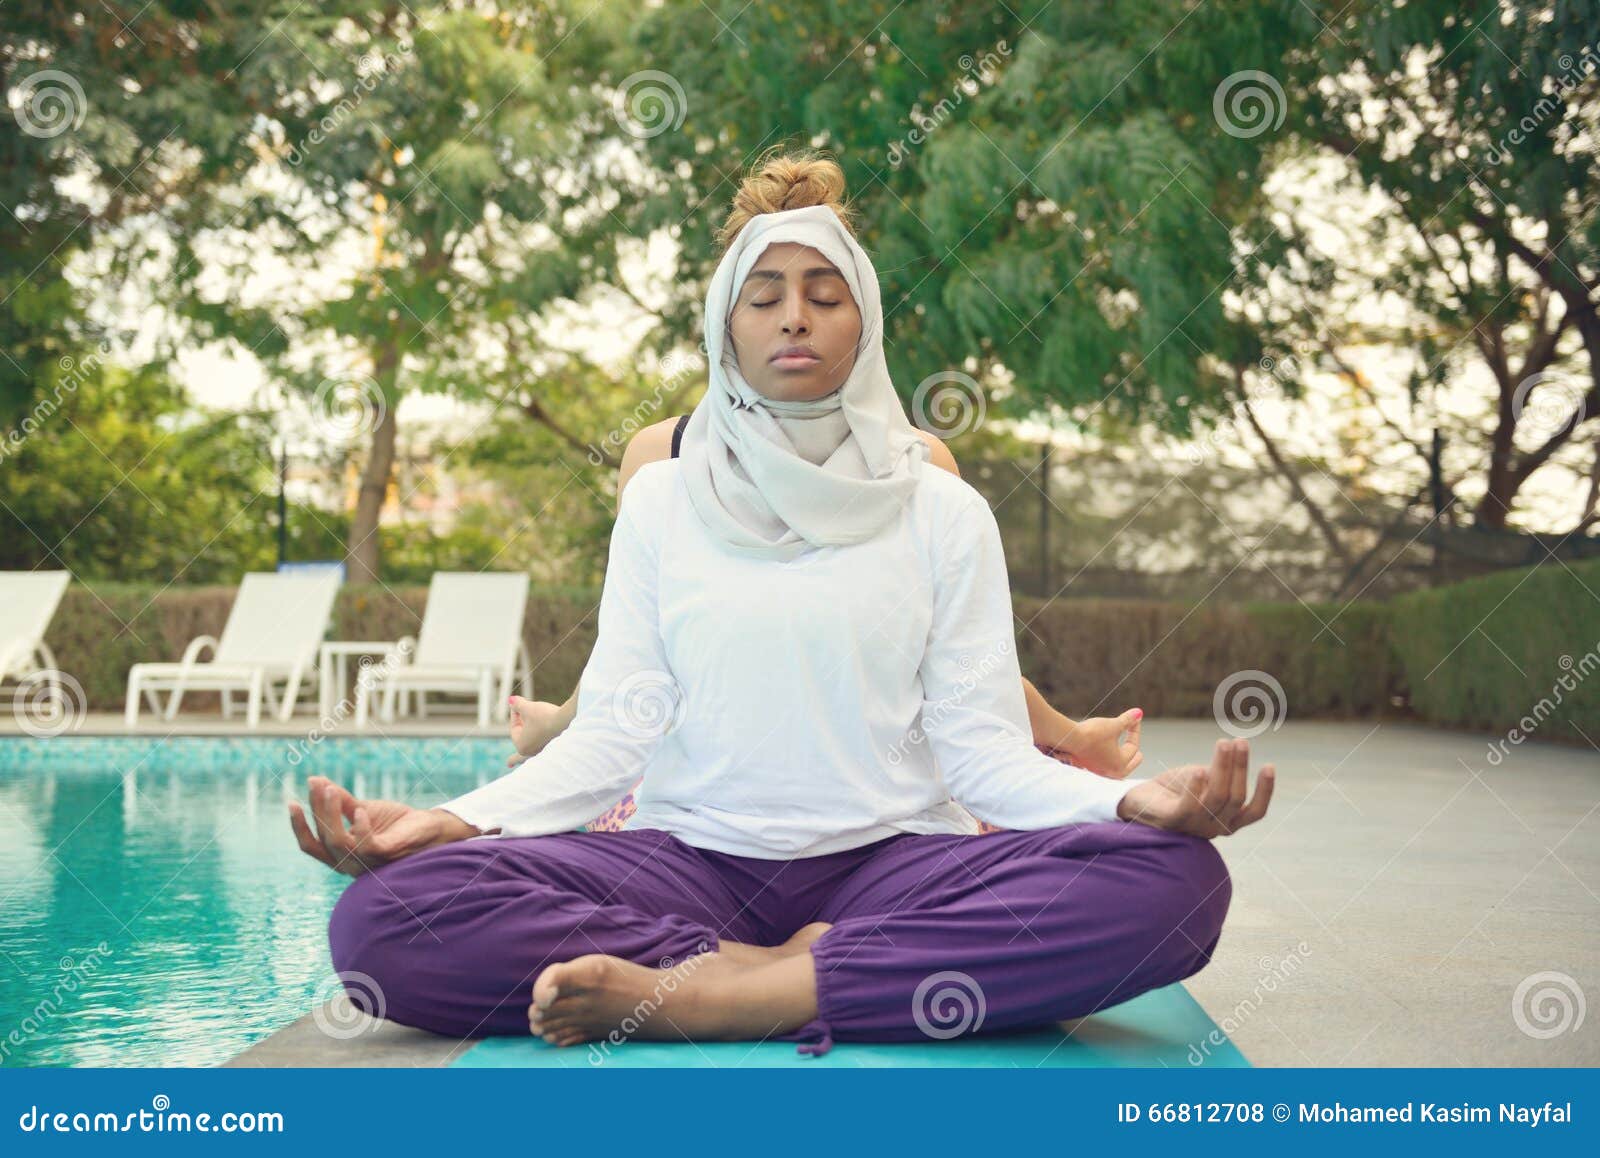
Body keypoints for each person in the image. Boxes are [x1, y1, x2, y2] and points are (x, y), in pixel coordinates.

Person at [289, 152, 1273, 1058]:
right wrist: (451, 822)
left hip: (893, 865)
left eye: (823, 295)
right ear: (728, 327)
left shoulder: (940, 510)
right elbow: (614, 734)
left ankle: (739, 991)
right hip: (688, 865)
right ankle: (789, 968)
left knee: (1174, 885)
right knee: (381, 922)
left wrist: (1129, 804)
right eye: (764, 298)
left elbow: (982, 753)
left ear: (866, 323)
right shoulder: (663, 502)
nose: (793, 318)